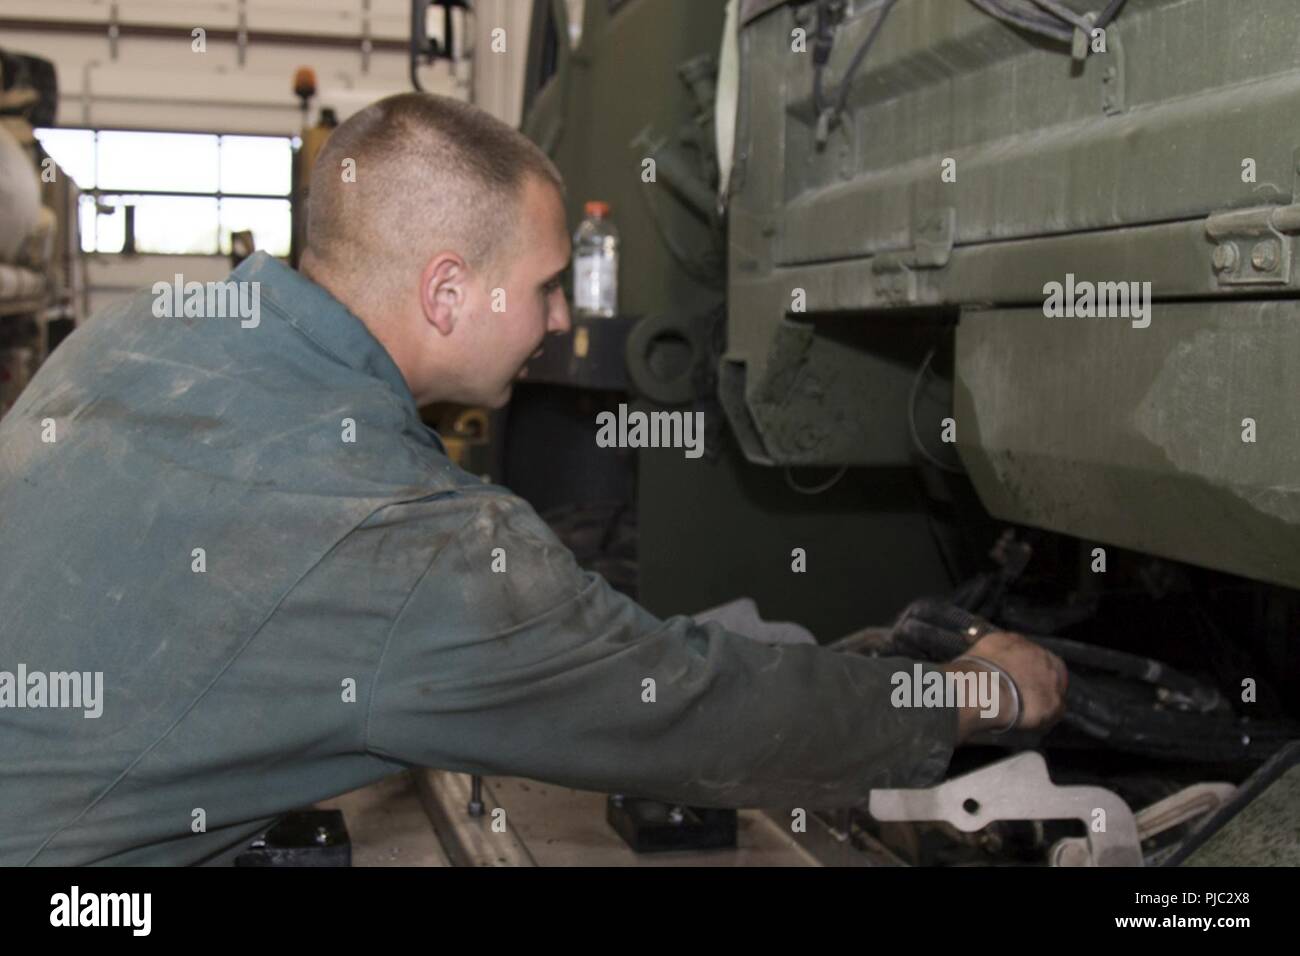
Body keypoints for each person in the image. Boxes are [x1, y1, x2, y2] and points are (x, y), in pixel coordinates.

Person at [0, 93, 1066, 865]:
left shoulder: (138, 330)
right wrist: (971, 691)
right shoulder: (403, 535)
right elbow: (694, 713)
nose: (561, 320)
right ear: (448, 291)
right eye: (547, 287)